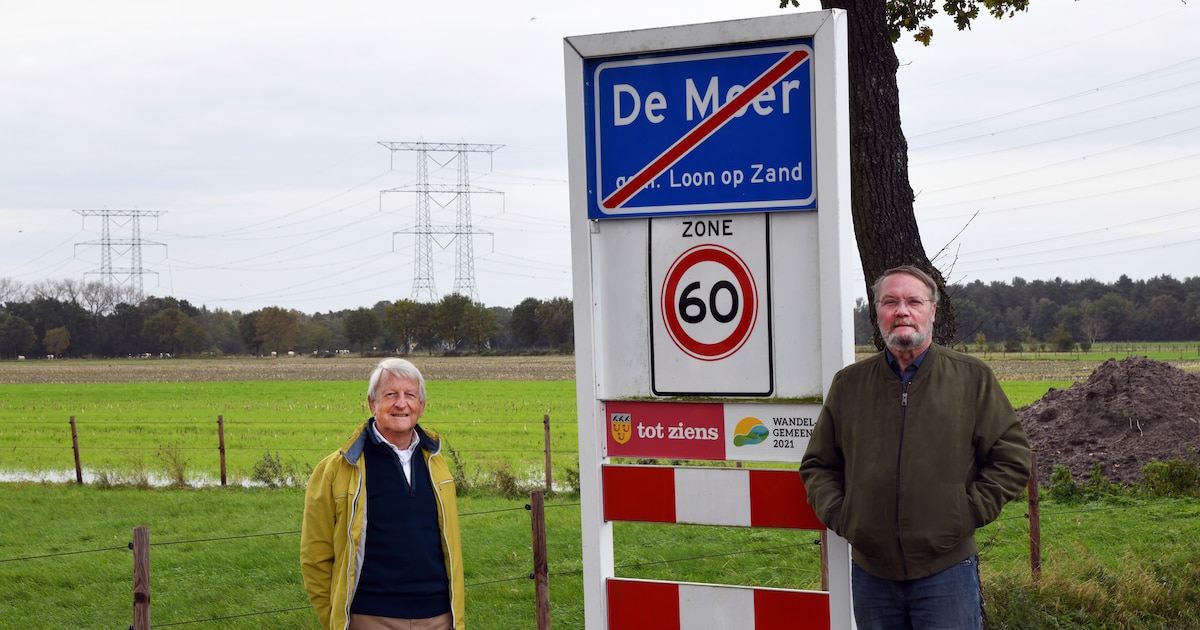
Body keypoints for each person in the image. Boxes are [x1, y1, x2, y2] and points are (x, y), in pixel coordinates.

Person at [799, 265, 1031, 629]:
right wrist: (847, 518)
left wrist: (966, 513)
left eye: (913, 301)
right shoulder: (850, 385)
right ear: (877, 313)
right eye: (890, 302)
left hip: (946, 571)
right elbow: (818, 465)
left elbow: (1013, 456)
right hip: (872, 575)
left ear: (932, 311)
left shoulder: (970, 378)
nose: (901, 311)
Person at [301, 358, 464, 630]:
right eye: (391, 394)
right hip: (370, 617)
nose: (401, 403)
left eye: (410, 395)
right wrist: (335, 618)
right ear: (372, 403)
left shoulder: (437, 464)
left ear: (421, 407)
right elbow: (314, 557)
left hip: (438, 617)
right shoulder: (336, 470)